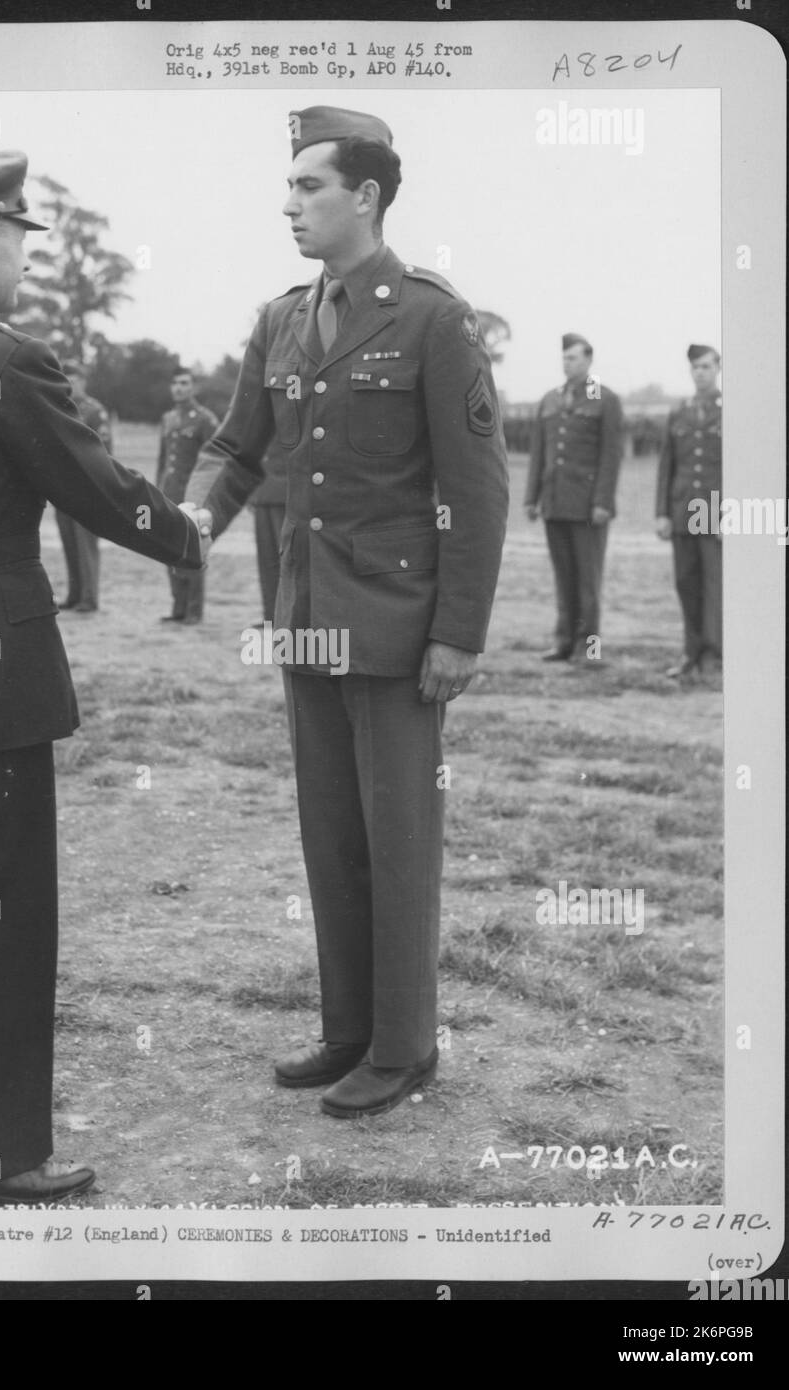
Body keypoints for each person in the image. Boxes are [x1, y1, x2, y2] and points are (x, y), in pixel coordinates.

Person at [0, 150, 207, 1205]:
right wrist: (190, 533)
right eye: (19, 235)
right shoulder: (4, 361)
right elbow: (98, 489)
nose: (23, 253)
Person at [185, 106, 509, 1118]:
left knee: (397, 835)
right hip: (307, 618)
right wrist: (196, 512)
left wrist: (458, 632)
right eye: (287, 186)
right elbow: (240, 448)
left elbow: (480, 487)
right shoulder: (282, 316)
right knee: (332, 833)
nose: (290, 203)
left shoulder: (430, 319)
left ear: (364, 196)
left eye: (308, 186)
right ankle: (350, 1027)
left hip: (399, 625)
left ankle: (406, 1047)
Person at [524, 334, 624, 664]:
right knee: (563, 577)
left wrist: (603, 503)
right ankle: (565, 642)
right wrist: (531, 497)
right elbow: (539, 453)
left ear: (589, 361)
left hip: (587, 507)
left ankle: (590, 649)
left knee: (588, 582)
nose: (568, 364)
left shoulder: (604, 399)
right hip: (554, 503)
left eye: (575, 358)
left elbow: (611, 456)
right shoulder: (550, 399)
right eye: (565, 358)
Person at [655, 344, 723, 681]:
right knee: (686, 583)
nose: (701, 373)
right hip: (682, 512)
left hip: (714, 513)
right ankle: (690, 652)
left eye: (707, 366)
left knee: (713, 585)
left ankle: (712, 655)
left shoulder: (731, 410)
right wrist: (662, 513)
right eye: (696, 367)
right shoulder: (679, 411)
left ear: (718, 369)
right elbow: (667, 465)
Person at [155, 368, 219, 624]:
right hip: (169, 494)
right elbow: (163, 460)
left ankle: (194, 610)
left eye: (184, 383)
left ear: (193, 387)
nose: (178, 388)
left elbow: (213, 460)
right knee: (169, 550)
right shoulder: (168, 418)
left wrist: (205, 495)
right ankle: (178, 607)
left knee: (193, 552)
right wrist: (158, 490)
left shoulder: (205, 419)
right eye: (174, 383)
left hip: (193, 495)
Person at [54, 363, 111, 613]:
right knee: (69, 543)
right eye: (67, 378)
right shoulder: (59, 408)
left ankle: (89, 598)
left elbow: (105, 453)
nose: (71, 383)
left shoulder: (96, 411)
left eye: (76, 379)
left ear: (85, 382)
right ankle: (75, 595)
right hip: (63, 488)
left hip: (88, 489)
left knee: (86, 545)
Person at [248, 439, 288, 623]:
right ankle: (270, 616)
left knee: (287, 561)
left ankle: (287, 617)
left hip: (286, 494)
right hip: (263, 493)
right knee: (267, 560)